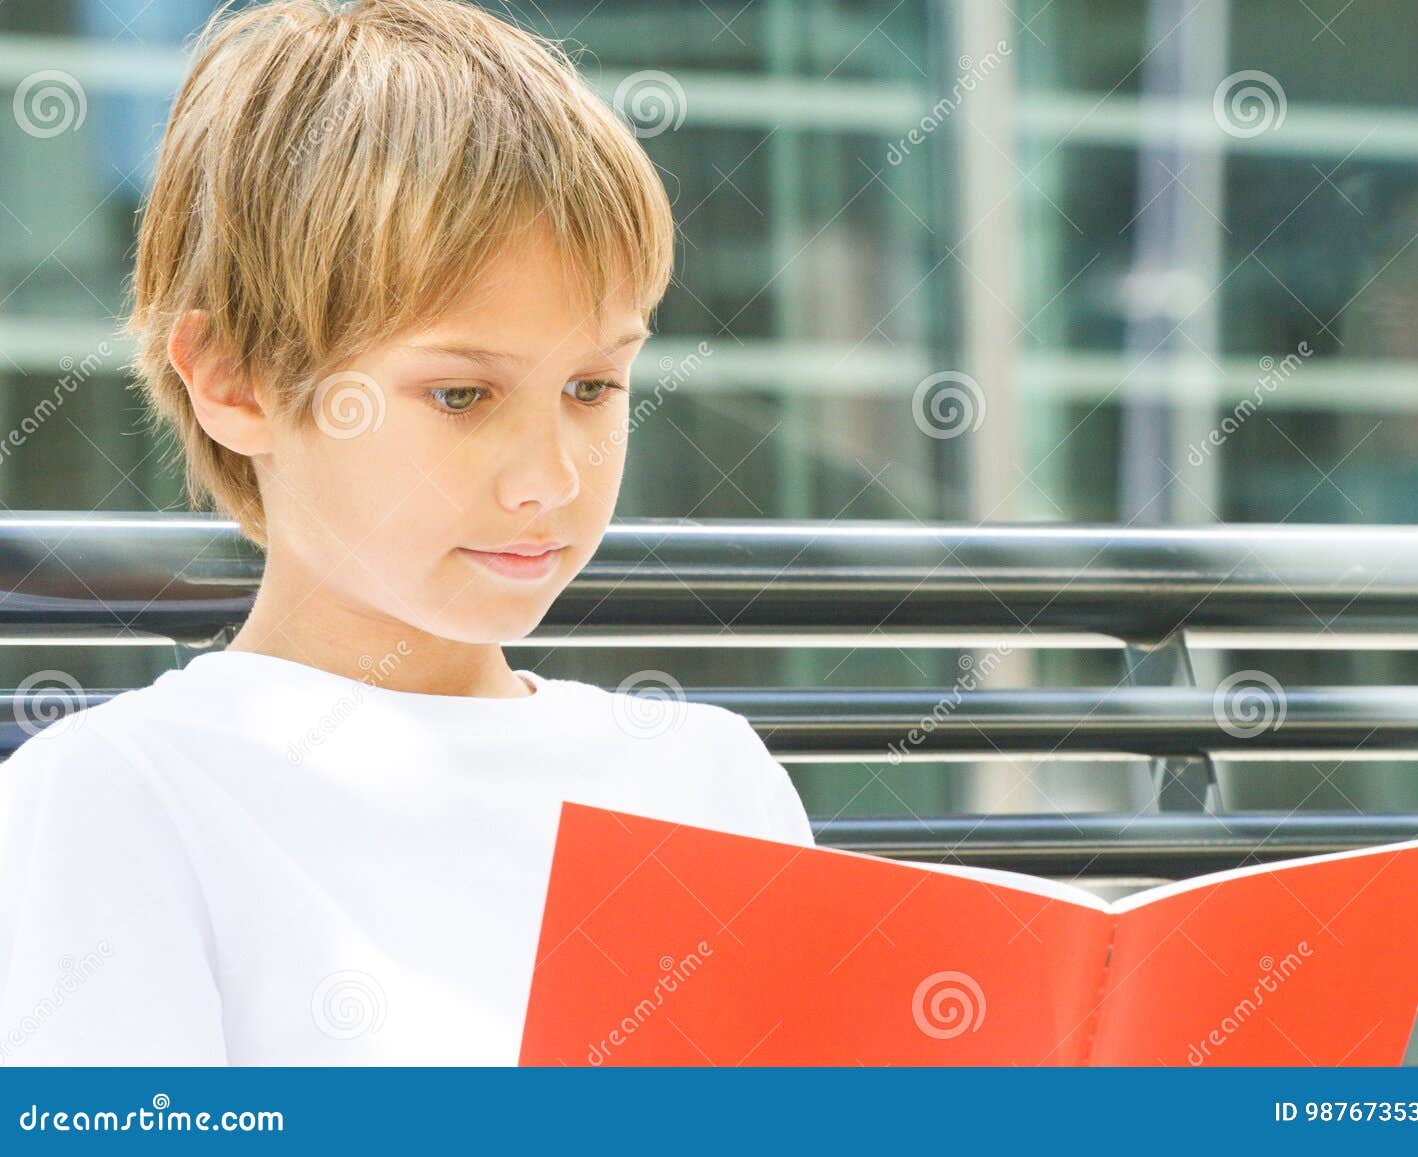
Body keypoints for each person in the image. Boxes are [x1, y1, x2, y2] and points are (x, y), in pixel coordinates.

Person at [0, 0, 813, 1065]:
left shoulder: (709, 777)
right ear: (234, 379)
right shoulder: (119, 797)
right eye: (462, 395)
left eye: (592, 384)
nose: (551, 478)